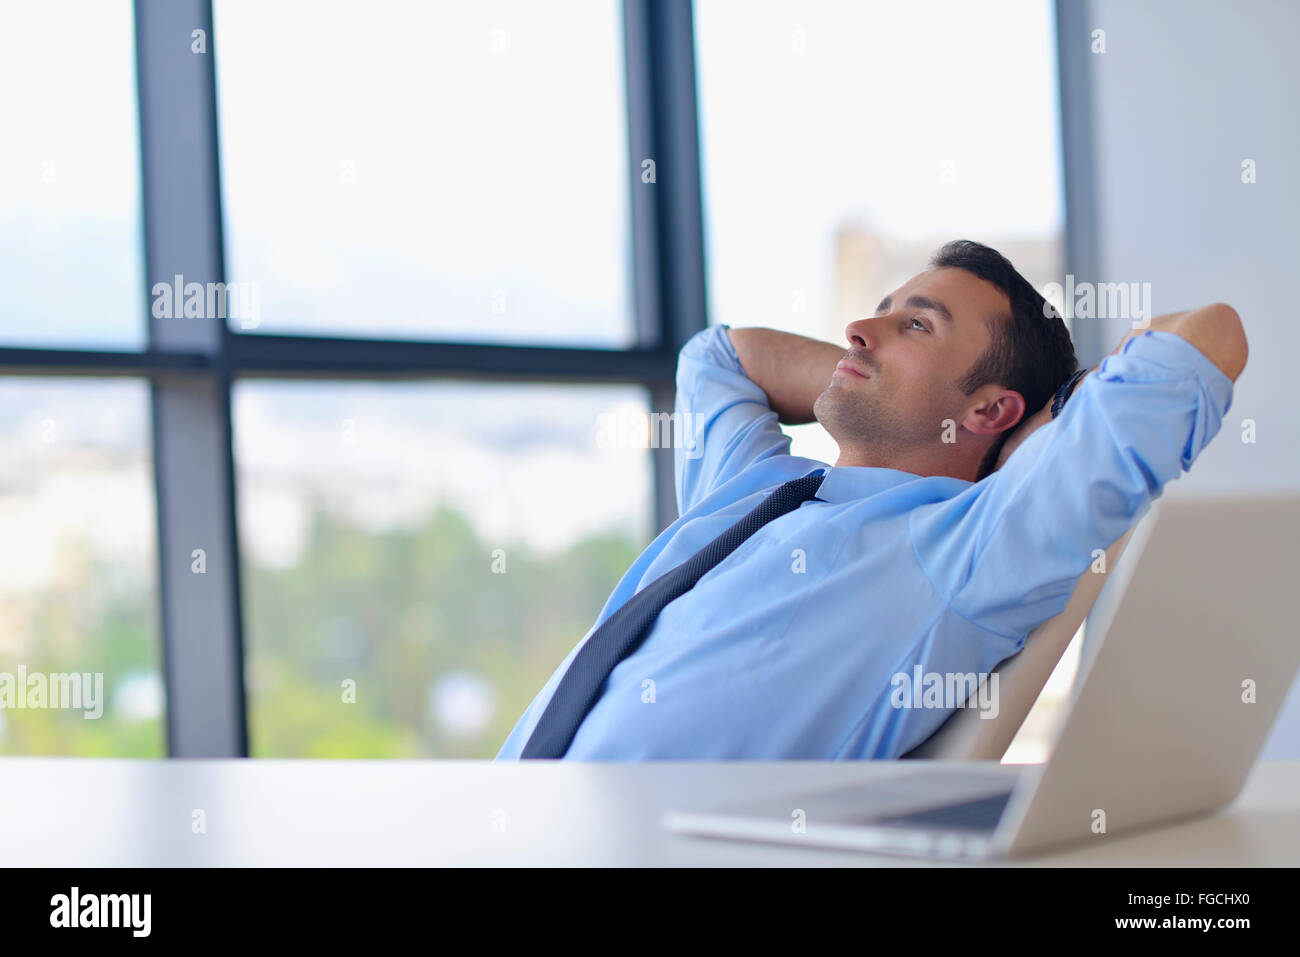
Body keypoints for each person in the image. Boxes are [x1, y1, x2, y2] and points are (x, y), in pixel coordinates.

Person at [496, 240, 1247, 760]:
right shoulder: (751, 484)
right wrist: (883, 384)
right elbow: (718, 357)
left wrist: (1027, 440)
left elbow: (1208, 337)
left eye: (915, 325)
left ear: (994, 408)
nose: (858, 330)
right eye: (882, 312)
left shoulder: (966, 550)